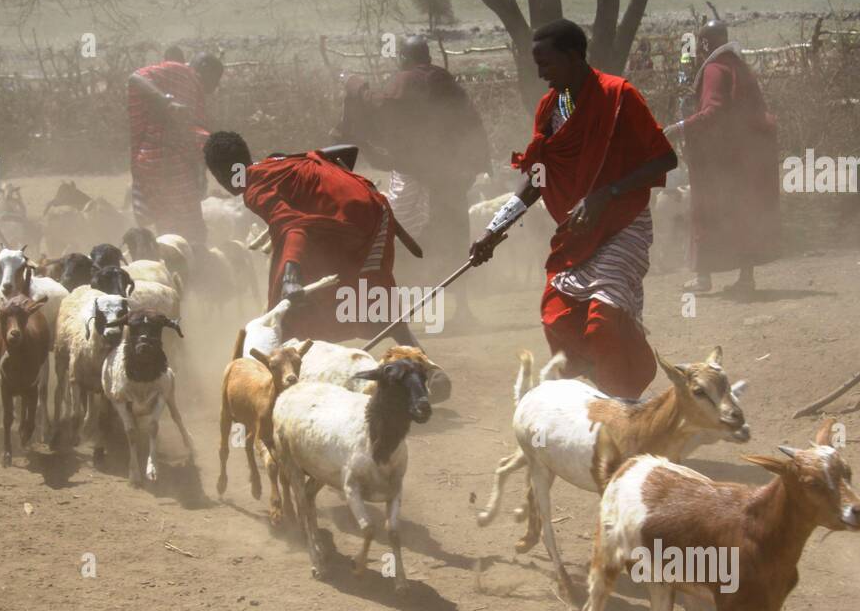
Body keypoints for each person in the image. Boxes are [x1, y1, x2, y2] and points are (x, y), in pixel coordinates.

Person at [469, 19, 676, 398]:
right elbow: (537, 178)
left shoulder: (618, 97)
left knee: (603, 323)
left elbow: (664, 159)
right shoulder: (552, 108)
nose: (541, 74)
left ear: (574, 57)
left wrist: (606, 193)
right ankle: (608, 394)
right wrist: (494, 231)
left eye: (547, 64)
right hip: (577, 231)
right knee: (557, 317)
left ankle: (625, 403)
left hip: (622, 225)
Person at [203, 130, 419, 346]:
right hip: (371, 206)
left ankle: (284, 353)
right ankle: (420, 359)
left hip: (355, 218)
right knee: (363, 290)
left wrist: (290, 278)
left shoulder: (254, 189)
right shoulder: (276, 162)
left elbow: (291, 225)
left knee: (286, 308)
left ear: (221, 175)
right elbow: (349, 151)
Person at [333, 35, 489, 323]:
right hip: (452, 175)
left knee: (403, 235)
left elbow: (384, 108)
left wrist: (357, 87)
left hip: (421, 174)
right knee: (453, 238)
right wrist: (478, 162)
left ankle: (399, 308)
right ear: (427, 56)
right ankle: (461, 310)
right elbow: (470, 120)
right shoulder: (447, 82)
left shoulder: (407, 80)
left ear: (404, 58)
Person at [663, 20, 779, 297]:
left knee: (707, 211)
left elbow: (714, 111)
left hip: (721, 159)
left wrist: (678, 128)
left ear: (704, 44)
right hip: (746, 157)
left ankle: (703, 278)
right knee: (743, 214)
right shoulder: (739, 67)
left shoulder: (715, 70)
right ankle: (746, 279)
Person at [128, 48, 224, 244]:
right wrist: (167, 102)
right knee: (193, 229)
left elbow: (191, 130)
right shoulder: (180, 72)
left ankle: (173, 266)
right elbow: (135, 78)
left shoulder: (191, 89)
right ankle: (197, 270)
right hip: (166, 160)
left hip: (152, 163)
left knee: (169, 227)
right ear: (203, 69)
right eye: (215, 78)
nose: (216, 86)